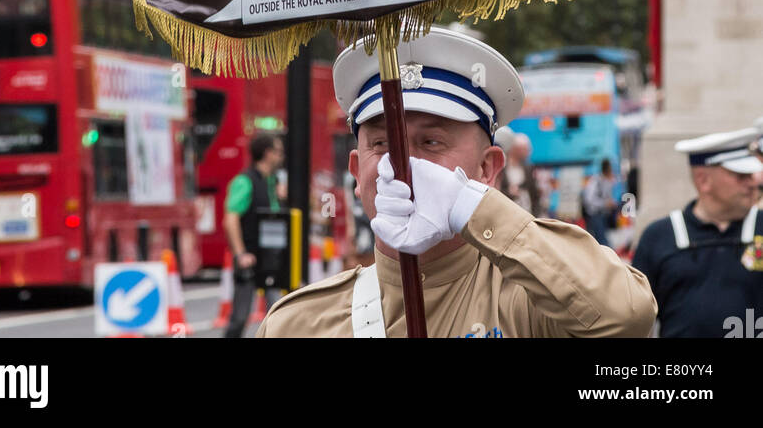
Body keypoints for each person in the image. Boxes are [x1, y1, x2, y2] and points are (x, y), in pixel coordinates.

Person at [257, 28, 656, 338]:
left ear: (487, 169)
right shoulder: (300, 323)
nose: (403, 164)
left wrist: (470, 207)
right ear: (357, 172)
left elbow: (626, 316)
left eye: (431, 143)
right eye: (382, 144)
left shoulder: (530, 298)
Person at [632, 126, 763, 338]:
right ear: (704, 180)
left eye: (752, 174)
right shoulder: (659, 237)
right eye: (741, 175)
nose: (753, 182)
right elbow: (635, 319)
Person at [222, 133, 286, 339]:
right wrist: (241, 254)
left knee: (277, 310)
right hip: (249, 257)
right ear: (267, 154)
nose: (281, 156)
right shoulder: (244, 181)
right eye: (278, 152)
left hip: (271, 258)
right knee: (240, 316)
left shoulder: (273, 182)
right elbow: (230, 219)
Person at [496, 131, 543, 216]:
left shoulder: (528, 168)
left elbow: (535, 194)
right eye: (525, 149)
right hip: (507, 213)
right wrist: (509, 192)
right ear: (515, 149)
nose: (529, 152)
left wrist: (536, 216)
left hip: (527, 212)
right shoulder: (501, 166)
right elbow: (496, 190)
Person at [581, 159, 618, 245]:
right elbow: (589, 200)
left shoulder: (607, 181)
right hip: (594, 215)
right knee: (601, 240)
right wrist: (604, 204)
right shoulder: (595, 181)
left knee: (602, 239)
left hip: (604, 215)